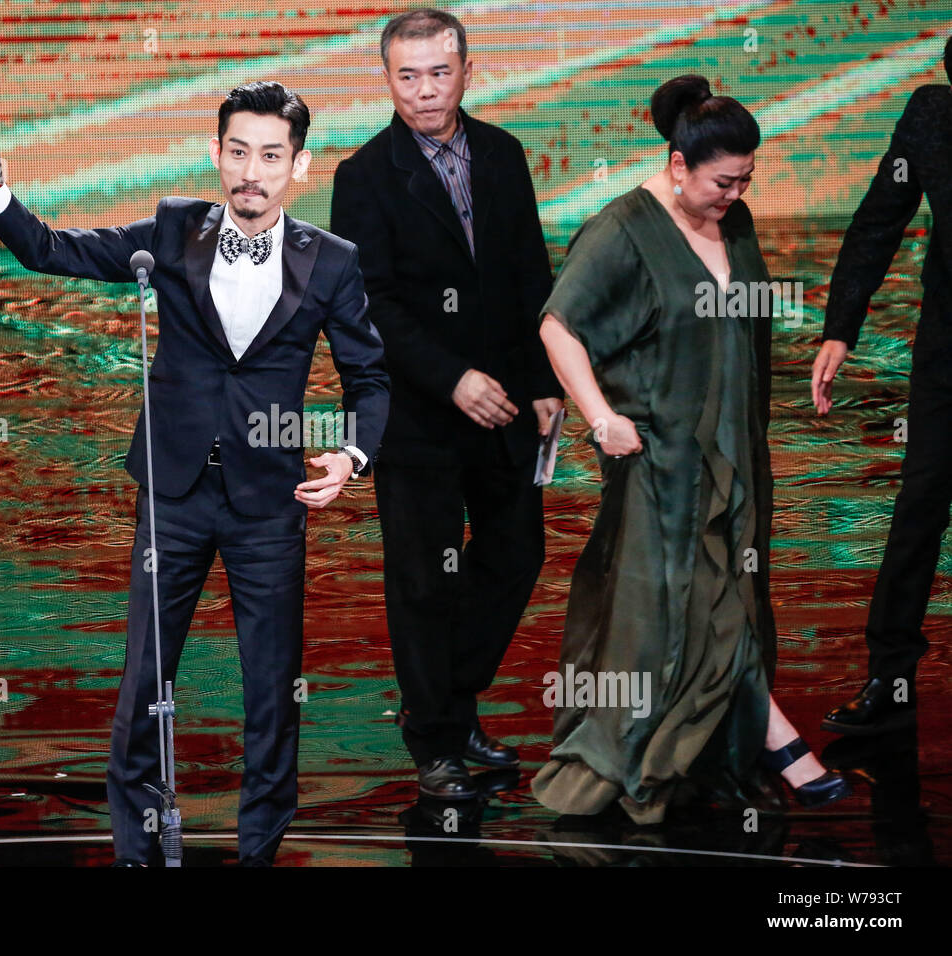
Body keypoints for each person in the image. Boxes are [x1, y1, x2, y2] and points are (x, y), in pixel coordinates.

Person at [0, 81, 390, 865]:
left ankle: (258, 854)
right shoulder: (176, 231)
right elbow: (55, 250)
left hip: (268, 504)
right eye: (238, 152)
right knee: (145, 681)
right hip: (173, 492)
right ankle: (137, 852)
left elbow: (372, 381)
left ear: (299, 167)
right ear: (216, 154)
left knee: (272, 693)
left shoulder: (334, 263)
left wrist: (349, 456)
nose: (252, 172)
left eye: (271, 157)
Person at [532, 75, 849, 824]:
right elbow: (557, 325)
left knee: (729, 597)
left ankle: (715, 747)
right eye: (720, 181)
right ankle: (777, 740)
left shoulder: (730, 224)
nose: (733, 194)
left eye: (745, 180)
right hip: (659, 462)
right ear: (678, 166)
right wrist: (601, 416)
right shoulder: (622, 230)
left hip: (734, 452)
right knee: (687, 606)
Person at [329, 8, 563, 800]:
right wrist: (451, 377)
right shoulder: (362, 177)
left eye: (439, 72)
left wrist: (544, 382)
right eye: (408, 74)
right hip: (421, 416)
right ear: (386, 77)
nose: (425, 91)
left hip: (508, 409)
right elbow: (372, 305)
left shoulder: (504, 154)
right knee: (425, 581)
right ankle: (435, 744)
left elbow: (533, 275)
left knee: (518, 556)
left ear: (468, 71)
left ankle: (451, 707)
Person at [812, 37, 952, 735]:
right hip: (948, 351)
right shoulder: (931, 115)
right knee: (921, 500)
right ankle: (889, 681)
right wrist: (841, 327)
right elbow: (877, 224)